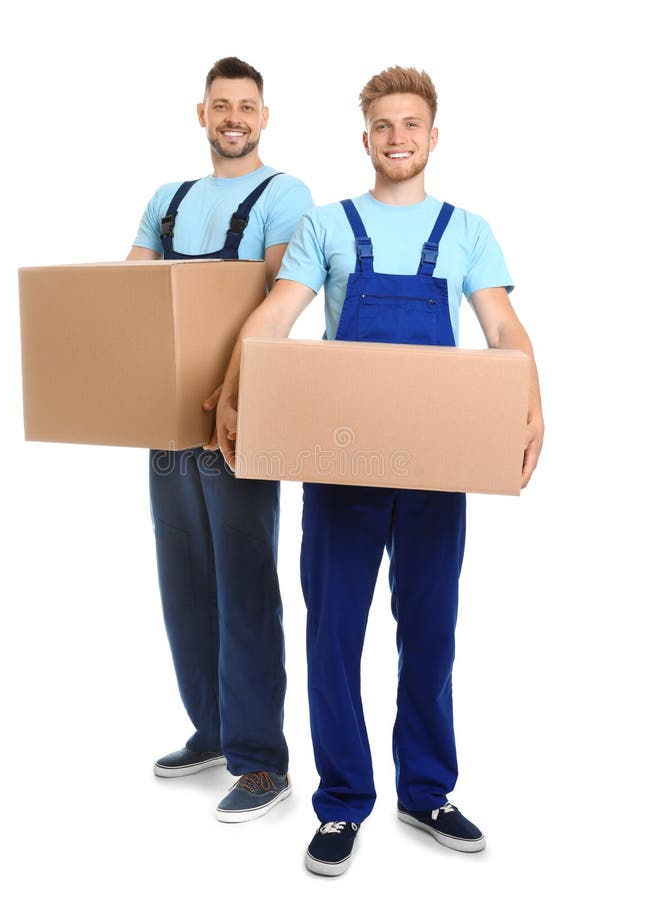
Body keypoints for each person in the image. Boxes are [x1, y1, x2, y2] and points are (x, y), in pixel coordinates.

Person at [216, 66, 544, 872]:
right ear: (366, 139)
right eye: (384, 126)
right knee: (333, 639)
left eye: (411, 124)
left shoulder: (468, 231)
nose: (398, 138)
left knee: (430, 636)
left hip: (436, 467)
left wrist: (532, 400)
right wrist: (233, 386)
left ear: (433, 137)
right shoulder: (327, 226)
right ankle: (340, 803)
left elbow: (505, 329)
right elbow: (275, 316)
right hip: (341, 465)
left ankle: (426, 791)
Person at [127, 56, 312, 823]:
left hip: (240, 417)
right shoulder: (166, 201)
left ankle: (262, 760)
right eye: (221, 105)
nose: (233, 117)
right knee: (184, 578)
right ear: (201, 115)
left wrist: (232, 398)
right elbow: (130, 295)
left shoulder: (284, 196)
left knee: (243, 582)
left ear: (263, 117)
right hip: (167, 417)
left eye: (247, 106)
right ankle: (212, 727)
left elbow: (277, 305)